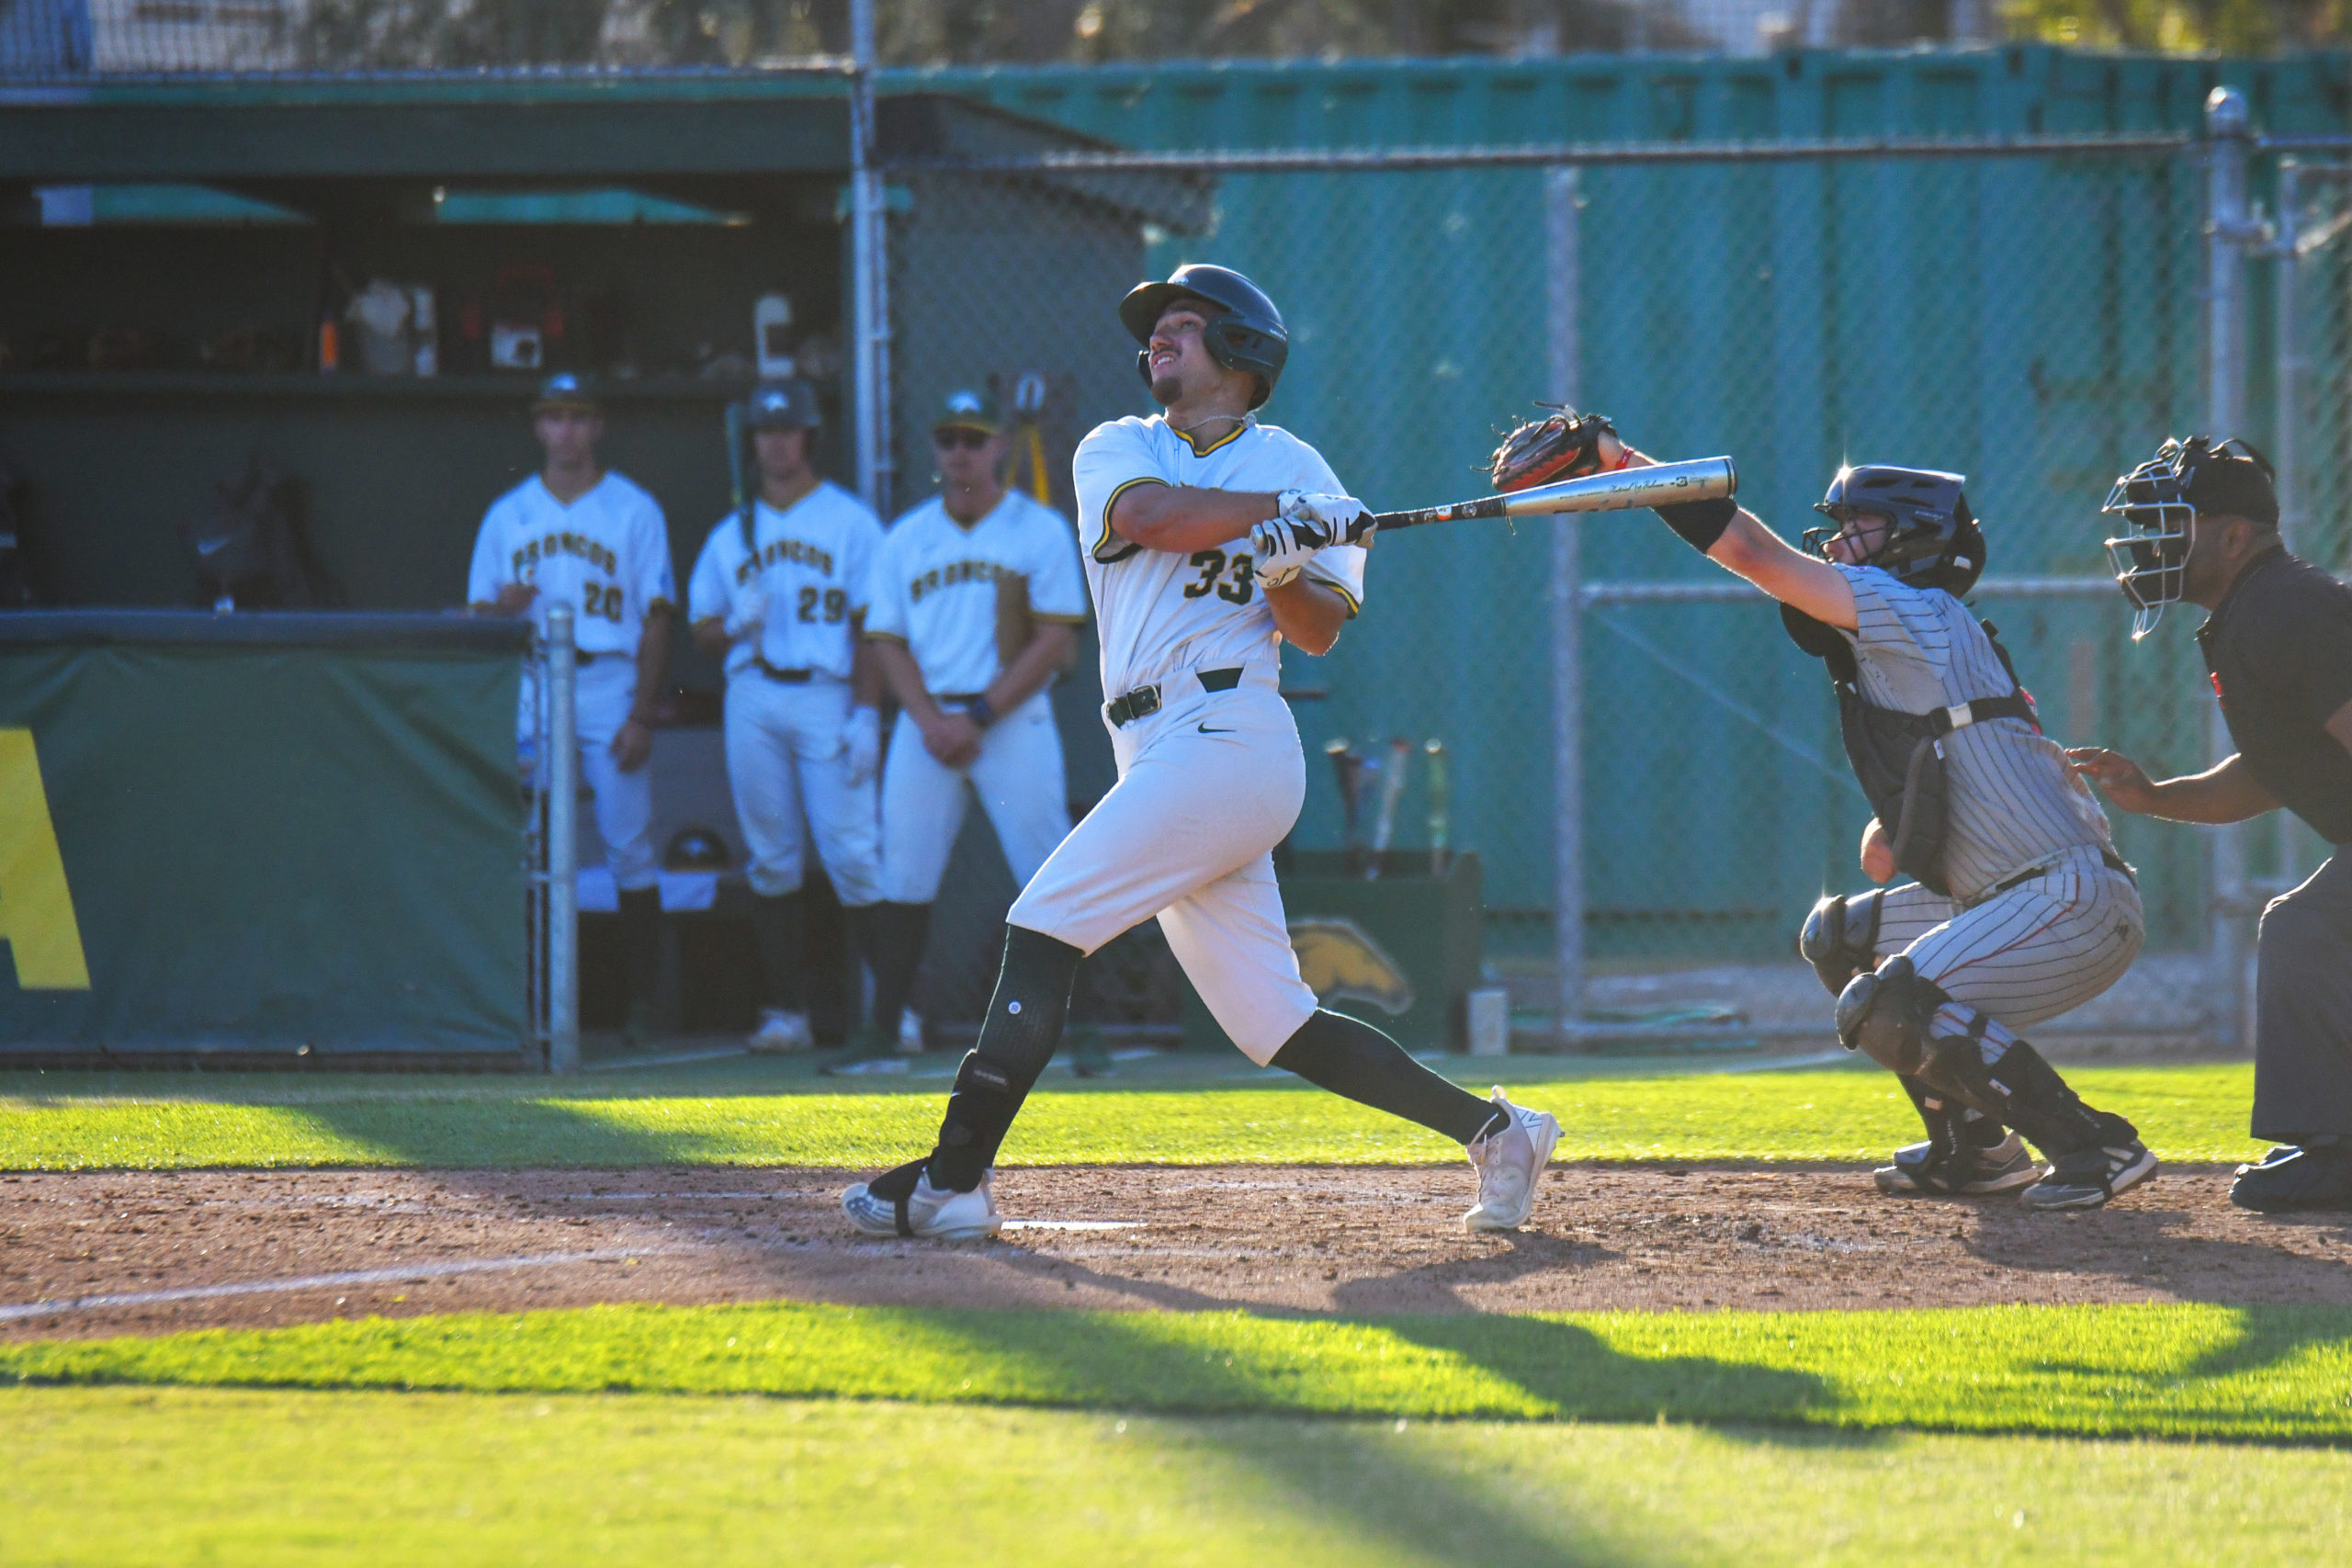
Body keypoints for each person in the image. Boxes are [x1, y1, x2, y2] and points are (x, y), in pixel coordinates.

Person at [840, 264, 1560, 1240]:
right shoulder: (1121, 446)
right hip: (1152, 744)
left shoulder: (1306, 473)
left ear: (1242, 352)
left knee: (1043, 921)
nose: (1158, 341)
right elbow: (1152, 521)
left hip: (1231, 738)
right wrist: (1284, 514)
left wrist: (1287, 558)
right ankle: (1498, 1132)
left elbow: (1312, 631)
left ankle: (953, 1178)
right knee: (1275, 1025)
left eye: (1183, 325)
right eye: (1156, 330)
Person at [1600, 429, 2153, 1209]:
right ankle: (1978, 1150)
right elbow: (1907, 838)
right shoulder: (1901, 649)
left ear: (1914, 541)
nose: (1835, 543)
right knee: (1845, 939)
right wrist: (1898, 823)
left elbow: (1753, 554)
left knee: (1893, 1000)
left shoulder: (1918, 608)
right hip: (2010, 896)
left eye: (1858, 527)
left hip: (2067, 902)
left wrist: (1620, 464)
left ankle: (2096, 1144)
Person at [2075, 435, 2352, 1211]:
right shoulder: (2258, 606)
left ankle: (2336, 1155)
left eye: (2173, 525)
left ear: (2234, 537)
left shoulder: (2280, 606)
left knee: (2306, 928)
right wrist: (2155, 793)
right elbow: (2274, 769)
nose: (2152, 544)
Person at [847, 388, 1089, 1072]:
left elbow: (1054, 641)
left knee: (1049, 871)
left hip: (1008, 718)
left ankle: (1086, 1026)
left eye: (974, 439)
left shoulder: (1035, 529)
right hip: (929, 723)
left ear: (999, 446)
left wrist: (977, 716)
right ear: (936, 448)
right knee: (904, 875)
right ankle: (883, 1028)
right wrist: (930, 720)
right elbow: (886, 639)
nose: (960, 452)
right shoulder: (907, 536)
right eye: (949, 438)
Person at [469, 373, 675, 1042]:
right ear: (538, 427)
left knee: (628, 843)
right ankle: (528, 1005)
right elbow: (477, 612)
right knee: (529, 840)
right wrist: (499, 608)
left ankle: (644, 1006)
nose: (566, 431)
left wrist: (642, 712)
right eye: (554, 417)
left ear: (597, 427)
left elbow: (657, 616)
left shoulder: (633, 509)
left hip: (608, 680)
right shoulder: (509, 513)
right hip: (533, 681)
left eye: (578, 417)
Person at [685, 378, 888, 1055]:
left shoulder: (850, 522)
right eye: (765, 432)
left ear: (809, 436)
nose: (776, 442)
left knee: (852, 853)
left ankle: (890, 1011)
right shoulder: (729, 533)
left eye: (787, 430)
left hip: (827, 691)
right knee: (770, 857)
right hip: (754, 691)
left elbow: (873, 628)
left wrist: (866, 711)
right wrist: (736, 626)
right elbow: (703, 629)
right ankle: (786, 1012)